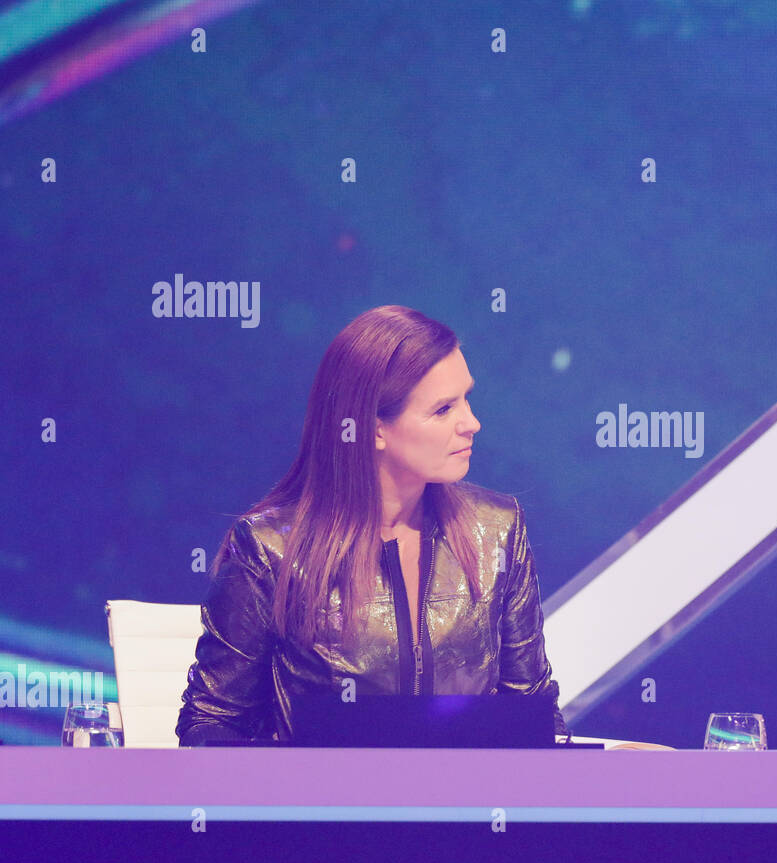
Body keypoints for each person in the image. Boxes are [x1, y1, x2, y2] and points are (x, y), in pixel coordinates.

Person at [176, 305, 567, 744]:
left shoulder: (498, 530)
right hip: (325, 809)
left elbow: (533, 715)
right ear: (374, 429)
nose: (471, 423)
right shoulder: (270, 551)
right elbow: (210, 726)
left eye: (466, 399)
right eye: (443, 410)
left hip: (467, 809)